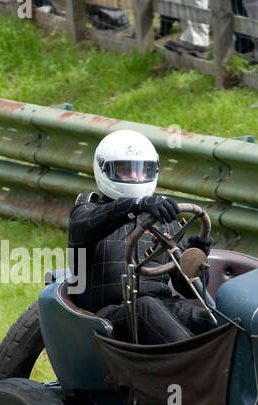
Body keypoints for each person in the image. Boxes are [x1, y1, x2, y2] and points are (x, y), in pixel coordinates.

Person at [69, 131, 215, 345]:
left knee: (210, 319)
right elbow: (87, 225)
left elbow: (187, 289)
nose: (135, 177)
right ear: (103, 169)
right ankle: (197, 366)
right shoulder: (86, 212)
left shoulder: (165, 220)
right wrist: (135, 205)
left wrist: (197, 256)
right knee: (146, 306)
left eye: (142, 171)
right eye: (125, 171)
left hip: (164, 305)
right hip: (107, 315)